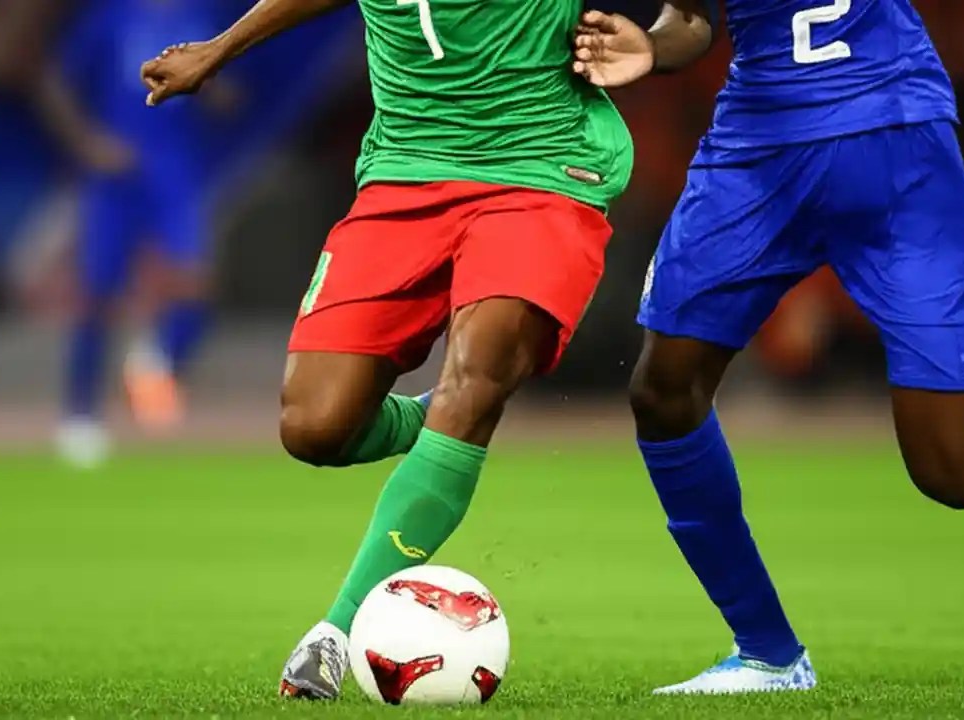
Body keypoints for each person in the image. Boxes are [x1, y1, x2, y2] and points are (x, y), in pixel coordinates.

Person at [571, 0, 964, 695]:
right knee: (664, 389)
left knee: (957, 471)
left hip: (894, 137)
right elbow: (695, 18)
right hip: (757, 152)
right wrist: (651, 44)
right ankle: (768, 653)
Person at [139, 0, 633, 700]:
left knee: (475, 380)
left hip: (540, 165)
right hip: (405, 169)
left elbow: (686, 19)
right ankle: (443, 420)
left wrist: (656, 42)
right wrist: (219, 48)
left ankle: (332, 637)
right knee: (315, 428)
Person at [47, 0, 352, 468]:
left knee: (195, 283)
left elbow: (219, 84)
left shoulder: (197, 16)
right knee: (98, 293)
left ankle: (157, 359)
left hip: (174, 172)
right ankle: (80, 413)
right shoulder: (111, 16)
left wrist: (215, 88)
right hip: (115, 173)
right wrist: (88, 143)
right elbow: (60, 82)